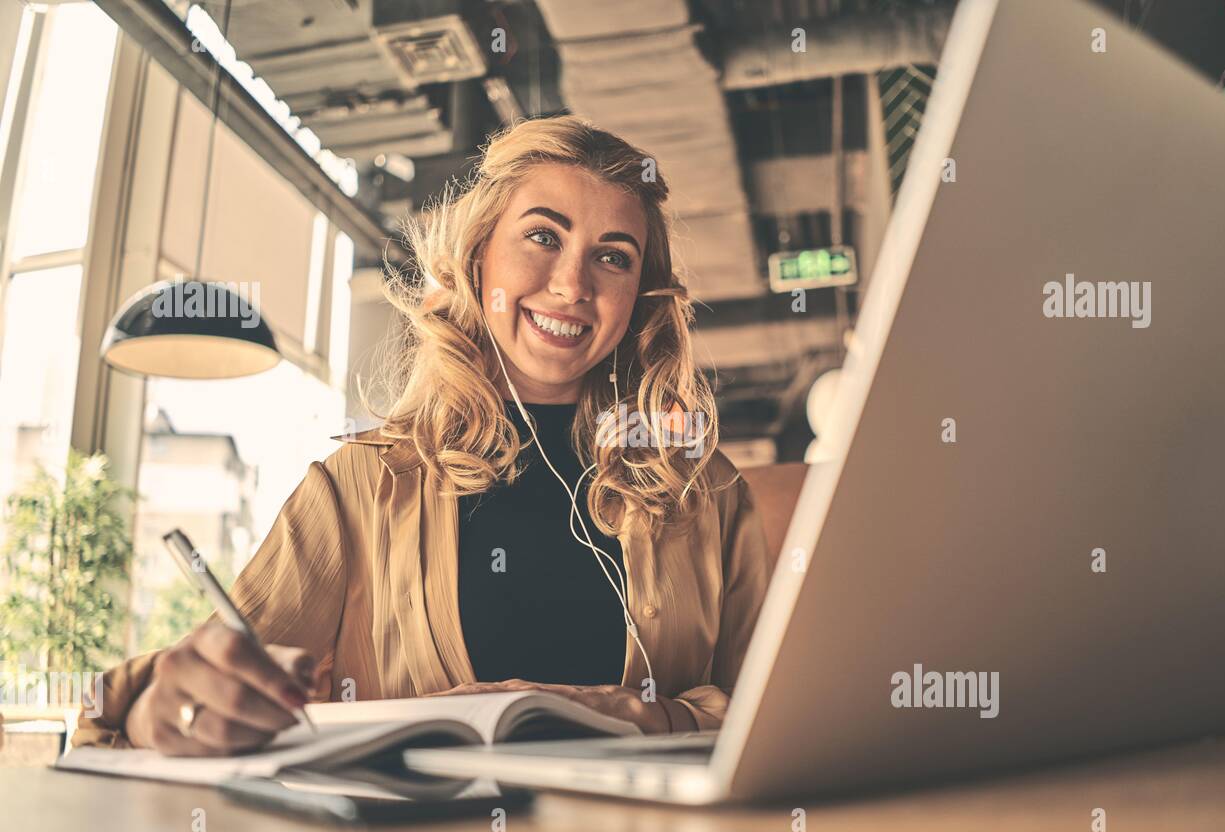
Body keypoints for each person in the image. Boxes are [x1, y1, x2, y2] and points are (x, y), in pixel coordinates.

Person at [73, 116, 772, 756]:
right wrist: (161, 711)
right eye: (542, 236)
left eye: (613, 257)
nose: (570, 284)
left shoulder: (705, 494)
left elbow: (777, 716)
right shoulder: (354, 489)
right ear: (478, 259)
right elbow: (188, 696)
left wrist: (641, 713)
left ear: (638, 298)